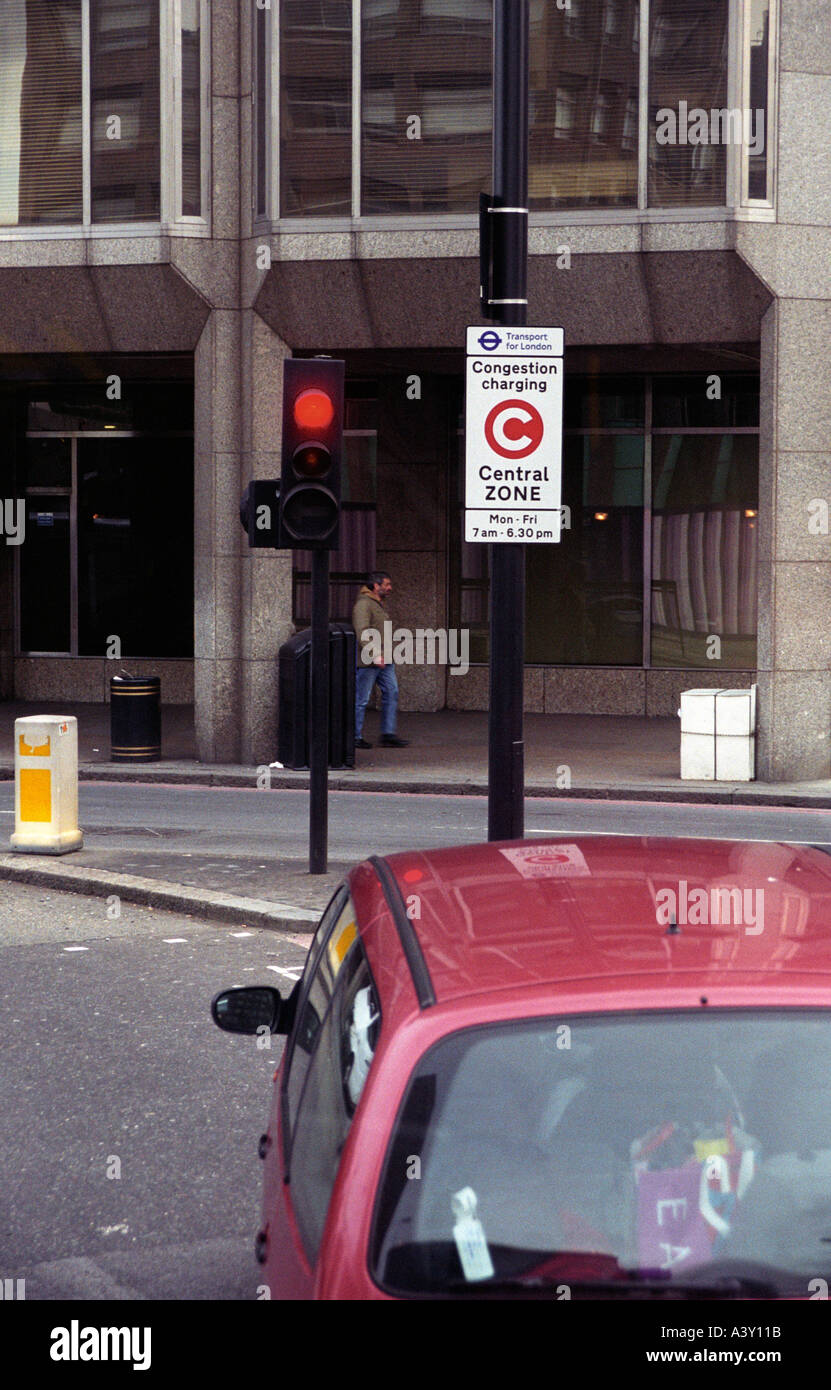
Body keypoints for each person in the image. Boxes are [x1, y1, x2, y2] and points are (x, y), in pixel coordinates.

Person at [352, 571, 409, 748]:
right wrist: (375, 654)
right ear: (376, 586)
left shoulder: (377, 604)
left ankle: (388, 733)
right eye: (386, 584)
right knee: (361, 699)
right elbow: (362, 631)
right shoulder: (364, 605)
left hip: (385, 658)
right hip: (369, 660)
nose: (389, 588)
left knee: (392, 692)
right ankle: (354, 736)